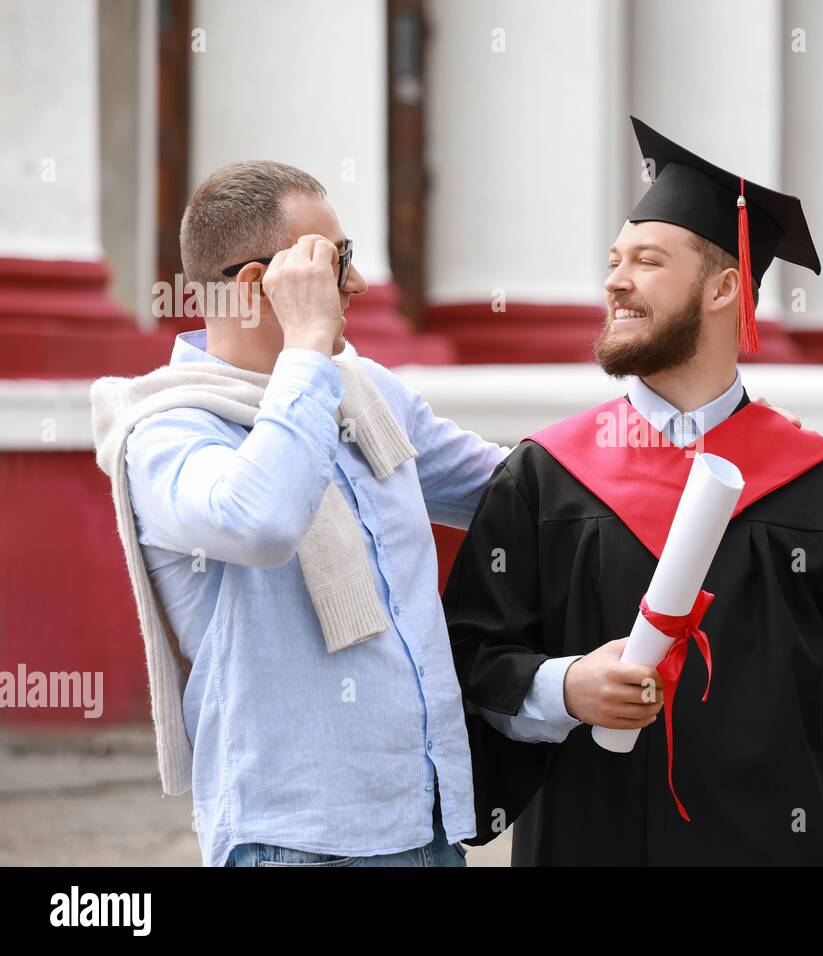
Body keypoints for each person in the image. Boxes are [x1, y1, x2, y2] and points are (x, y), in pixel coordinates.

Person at [444, 117, 823, 865]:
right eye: (614, 260)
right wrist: (565, 688)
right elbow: (471, 653)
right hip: (593, 841)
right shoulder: (545, 475)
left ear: (724, 288)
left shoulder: (821, 484)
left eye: (647, 261)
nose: (614, 281)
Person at [91, 161, 511, 867]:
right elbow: (260, 522)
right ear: (259, 286)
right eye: (334, 261)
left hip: (427, 819)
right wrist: (307, 349)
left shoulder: (363, 389)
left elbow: (505, 488)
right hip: (296, 841)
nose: (358, 284)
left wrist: (649, 436)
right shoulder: (165, 434)